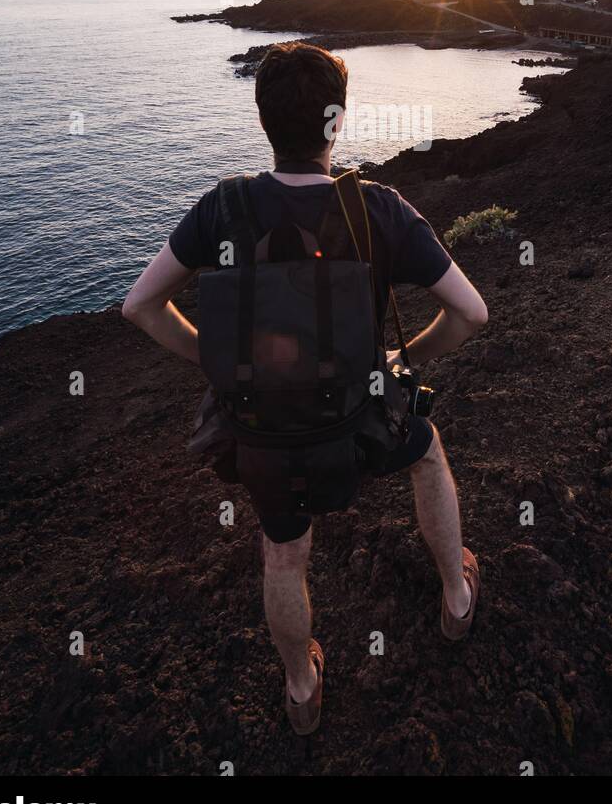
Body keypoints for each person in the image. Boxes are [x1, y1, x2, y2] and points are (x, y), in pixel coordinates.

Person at [123, 41, 488, 734]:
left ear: (263, 121)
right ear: (337, 122)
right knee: (428, 451)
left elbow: (138, 307)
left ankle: (301, 693)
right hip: (357, 421)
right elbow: (472, 313)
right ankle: (456, 600)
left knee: (283, 552)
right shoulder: (377, 208)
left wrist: (218, 359)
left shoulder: (221, 209)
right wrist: (399, 359)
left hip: (260, 434)